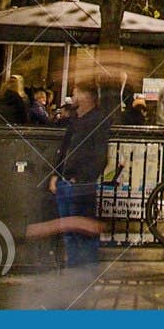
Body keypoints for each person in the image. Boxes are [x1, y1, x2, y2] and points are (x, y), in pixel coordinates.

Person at [49, 79, 116, 267]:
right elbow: (65, 148)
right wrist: (56, 174)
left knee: (82, 232)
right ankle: (74, 270)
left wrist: (83, 179)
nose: (73, 97)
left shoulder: (98, 120)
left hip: (79, 184)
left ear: (87, 96)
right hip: (66, 182)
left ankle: (85, 272)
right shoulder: (76, 119)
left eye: (76, 93)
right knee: (70, 232)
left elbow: (99, 156)